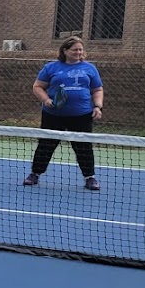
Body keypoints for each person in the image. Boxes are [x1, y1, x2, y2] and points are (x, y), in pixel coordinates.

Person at [24, 36, 104, 191]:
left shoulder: (90, 68)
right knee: (46, 145)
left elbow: (97, 89)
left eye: (80, 49)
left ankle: (90, 177)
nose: (78, 52)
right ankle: (35, 174)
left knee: (84, 147)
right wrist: (46, 100)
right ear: (65, 51)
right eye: (75, 49)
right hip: (53, 115)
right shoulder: (51, 68)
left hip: (82, 116)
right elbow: (38, 86)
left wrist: (98, 107)